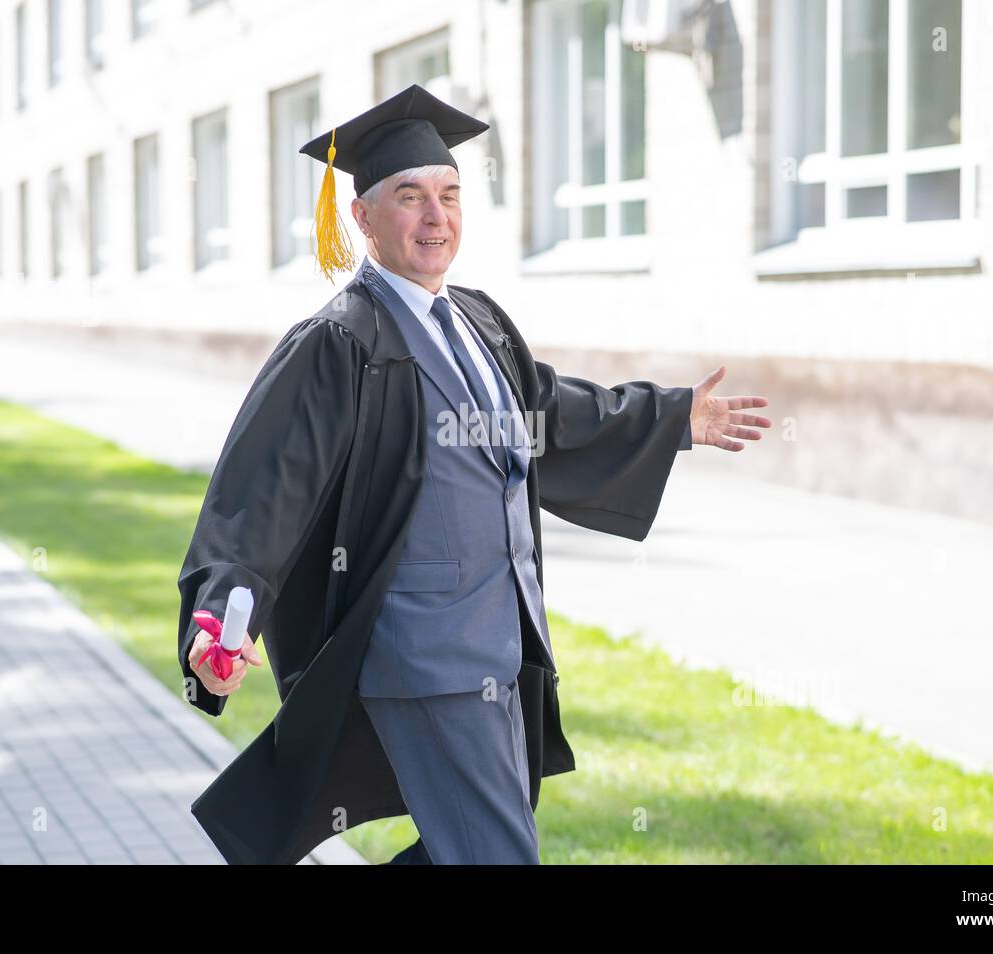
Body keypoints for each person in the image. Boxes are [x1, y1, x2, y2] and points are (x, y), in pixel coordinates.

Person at [177, 84, 771, 865]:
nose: (437, 217)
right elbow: (265, 485)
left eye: (451, 195)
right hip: (425, 657)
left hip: (503, 646)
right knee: (495, 853)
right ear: (361, 218)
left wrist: (667, 420)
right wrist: (225, 607)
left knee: (474, 841)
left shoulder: (480, 320)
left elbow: (550, 414)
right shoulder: (342, 342)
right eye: (411, 196)